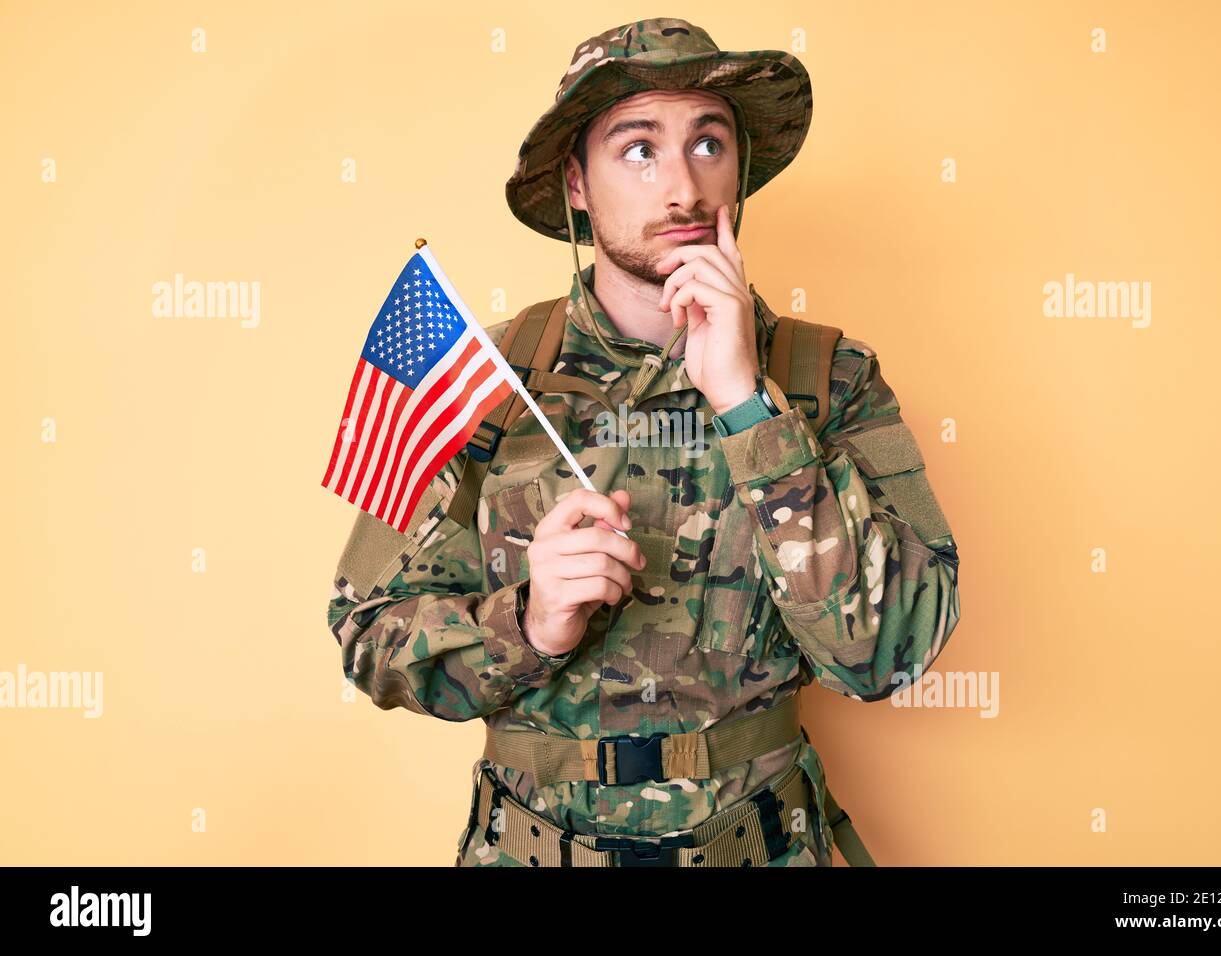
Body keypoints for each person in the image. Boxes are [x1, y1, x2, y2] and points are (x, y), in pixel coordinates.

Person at [326, 16, 961, 867]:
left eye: (709, 144)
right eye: (637, 148)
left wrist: (747, 408)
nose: (683, 188)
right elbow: (370, 638)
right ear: (576, 185)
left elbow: (891, 654)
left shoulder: (825, 377)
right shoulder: (485, 381)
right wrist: (531, 622)